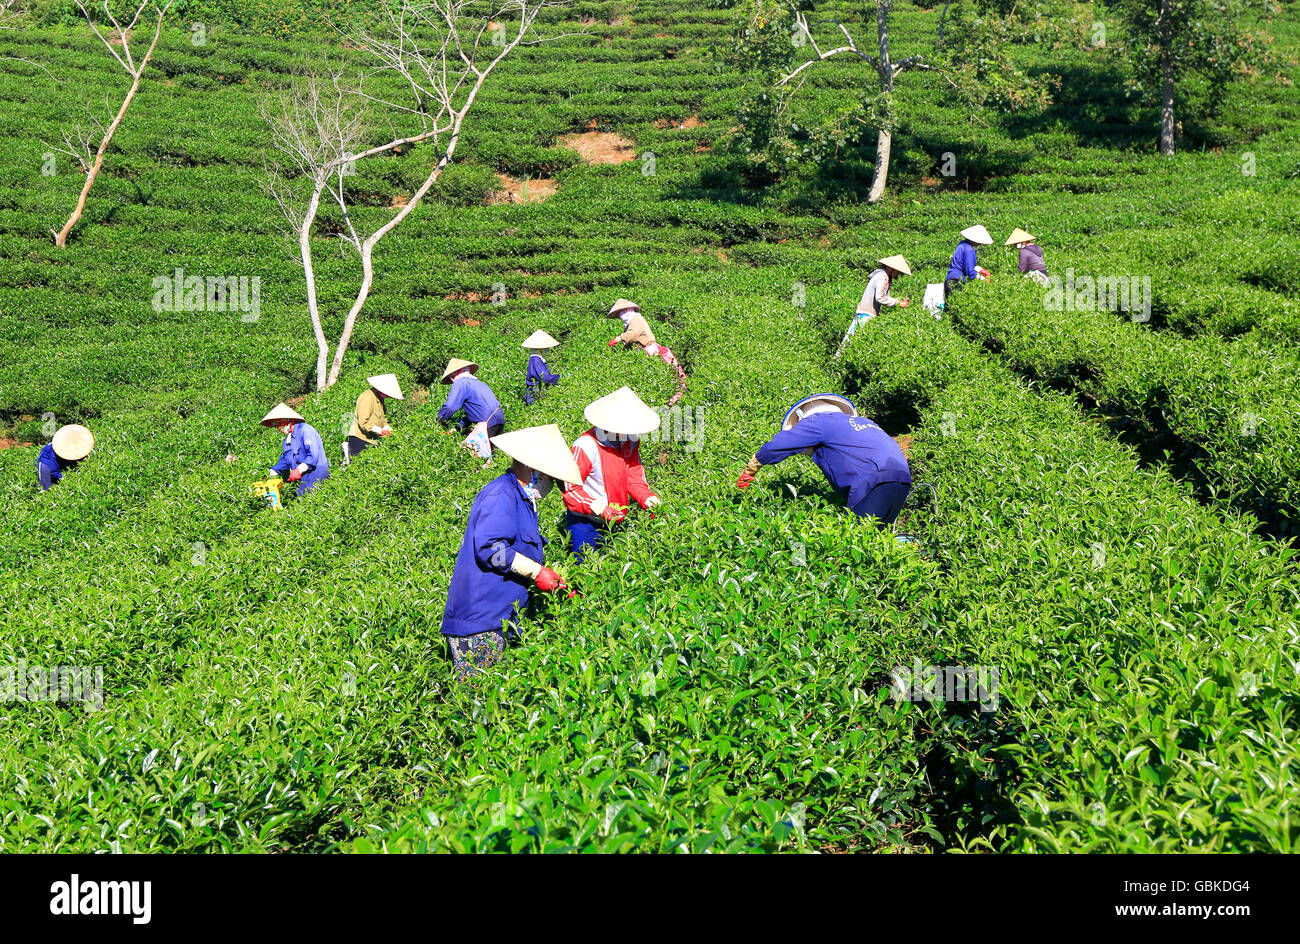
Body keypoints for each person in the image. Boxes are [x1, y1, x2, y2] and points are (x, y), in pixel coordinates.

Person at [441, 424, 582, 680]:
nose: (551, 484)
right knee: (479, 703)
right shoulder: (501, 494)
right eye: (550, 476)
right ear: (532, 468)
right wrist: (537, 572)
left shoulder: (524, 501)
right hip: (482, 623)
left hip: (501, 619)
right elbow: (490, 549)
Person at [736, 394, 911, 527]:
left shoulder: (819, 422)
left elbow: (778, 445)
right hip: (902, 479)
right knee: (878, 541)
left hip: (872, 481)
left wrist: (751, 469)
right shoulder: (864, 423)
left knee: (856, 545)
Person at [563, 386, 663, 562]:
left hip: (615, 518)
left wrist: (648, 498)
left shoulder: (630, 441)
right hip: (586, 523)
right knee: (586, 567)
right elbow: (570, 489)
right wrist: (599, 508)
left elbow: (633, 474)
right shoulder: (586, 445)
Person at [837, 255, 912, 357]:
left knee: (847, 344)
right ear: (892, 268)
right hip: (866, 316)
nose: (898, 275)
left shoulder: (880, 275)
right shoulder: (883, 277)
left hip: (862, 313)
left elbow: (883, 297)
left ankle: (836, 364)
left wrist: (898, 301)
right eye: (898, 272)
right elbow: (880, 298)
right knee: (863, 347)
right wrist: (899, 303)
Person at [436, 358, 505, 464]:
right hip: (499, 419)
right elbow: (473, 413)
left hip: (486, 422)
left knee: (472, 459)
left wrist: (439, 419)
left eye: (452, 376)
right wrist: (457, 427)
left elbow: (450, 407)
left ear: (458, 372)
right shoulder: (479, 383)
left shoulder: (460, 383)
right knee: (489, 459)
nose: (452, 379)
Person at [263, 402, 329, 496]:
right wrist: (270, 473)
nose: (279, 428)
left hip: (316, 477)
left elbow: (313, 455)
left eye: (280, 424)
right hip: (302, 483)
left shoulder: (305, 431)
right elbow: (284, 461)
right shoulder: (287, 442)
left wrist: (299, 470)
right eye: (276, 426)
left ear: (289, 420)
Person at [347, 373, 404, 460]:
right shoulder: (367, 397)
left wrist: (387, 427)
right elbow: (363, 422)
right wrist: (379, 431)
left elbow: (383, 418)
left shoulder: (380, 399)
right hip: (360, 439)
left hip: (371, 440)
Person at [36, 424, 94, 491]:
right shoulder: (52, 452)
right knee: (46, 487)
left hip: (61, 461)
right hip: (46, 464)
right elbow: (52, 471)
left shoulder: (75, 444)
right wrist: (64, 477)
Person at [945, 224, 993, 299]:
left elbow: (964, 263)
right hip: (956, 281)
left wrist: (980, 269)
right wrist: (983, 279)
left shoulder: (962, 244)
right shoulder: (969, 249)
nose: (980, 244)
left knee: (950, 305)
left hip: (949, 279)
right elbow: (969, 270)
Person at [522, 330, 561, 405]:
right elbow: (545, 378)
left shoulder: (537, 358)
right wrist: (558, 378)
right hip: (535, 393)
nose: (548, 349)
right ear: (541, 349)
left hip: (536, 391)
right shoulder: (535, 359)